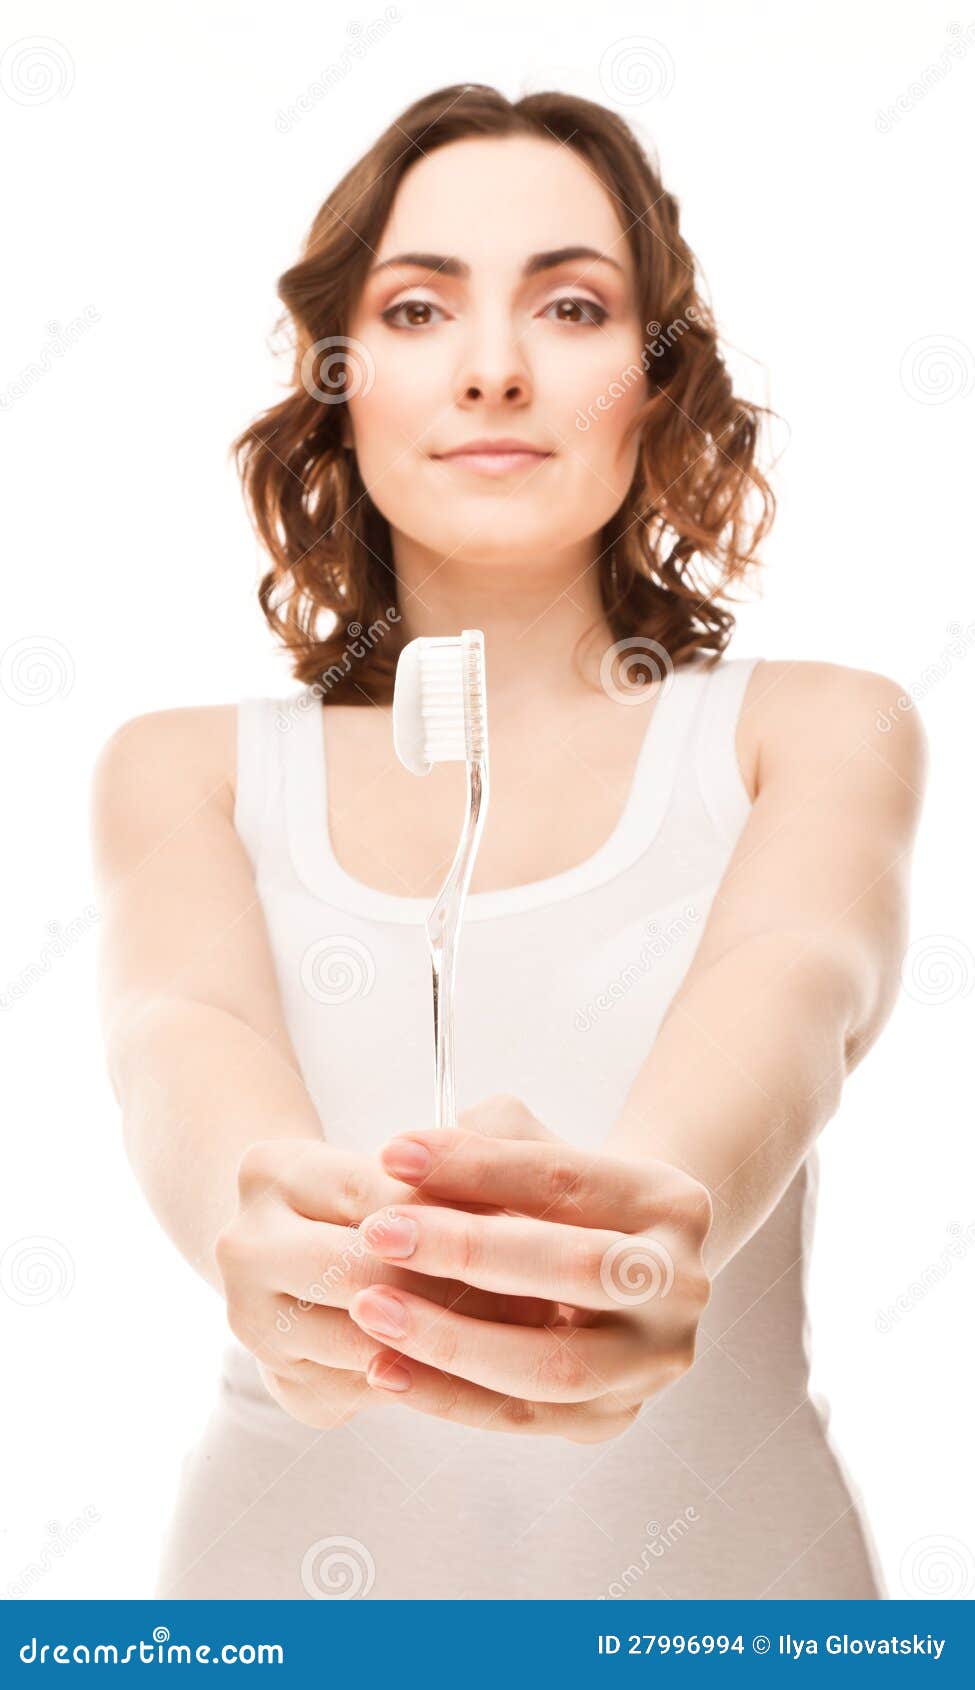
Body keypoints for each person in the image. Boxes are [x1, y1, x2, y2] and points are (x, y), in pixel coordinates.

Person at [90, 83, 926, 1601]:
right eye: (418, 311)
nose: (493, 369)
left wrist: (642, 1232)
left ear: (657, 380)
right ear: (338, 382)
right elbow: (176, 1034)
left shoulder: (815, 728)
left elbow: (798, 983)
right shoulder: (184, 768)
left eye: (571, 305)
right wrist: (264, 1229)